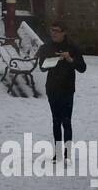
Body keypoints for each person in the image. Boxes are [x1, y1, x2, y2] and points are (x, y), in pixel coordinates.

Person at [37, 21, 87, 168]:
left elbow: (82, 68)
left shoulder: (72, 47)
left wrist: (70, 59)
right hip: (52, 89)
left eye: (57, 31)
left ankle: (68, 153)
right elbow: (42, 68)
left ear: (64, 32)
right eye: (52, 30)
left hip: (67, 89)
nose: (53, 33)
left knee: (67, 121)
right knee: (56, 121)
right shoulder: (46, 47)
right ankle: (58, 152)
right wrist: (54, 59)